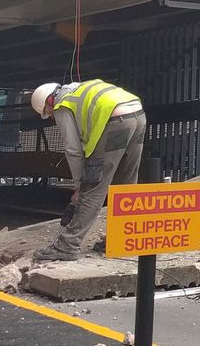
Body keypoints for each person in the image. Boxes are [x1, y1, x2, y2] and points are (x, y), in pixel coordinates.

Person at [29, 79, 146, 262]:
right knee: (126, 185)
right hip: (138, 115)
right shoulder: (79, 91)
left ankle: (67, 246)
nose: (52, 117)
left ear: (49, 102)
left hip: (115, 121)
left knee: (93, 188)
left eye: (48, 113)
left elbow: (73, 150)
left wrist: (78, 187)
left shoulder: (62, 104)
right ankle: (122, 241)